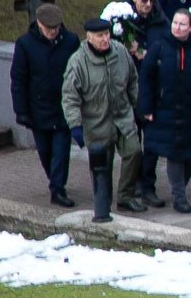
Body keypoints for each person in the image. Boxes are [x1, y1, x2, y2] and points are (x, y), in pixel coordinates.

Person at [59, 16, 144, 221]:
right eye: (99, 36)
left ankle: (126, 195)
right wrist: (75, 125)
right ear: (89, 37)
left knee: (134, 152)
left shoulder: (121, 52)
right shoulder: (78, 62)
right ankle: (103, 202)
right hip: (96, 122)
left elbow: (132, 79)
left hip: (122, 117)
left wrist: (137, 104)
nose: (104, 39)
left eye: (106, 34)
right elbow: (70, 97)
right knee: (101, 166)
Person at [137, 7, 191, 213]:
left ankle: (180, 188)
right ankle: (179, 197)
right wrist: (145, 107)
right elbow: (146, 79)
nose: (177, 27)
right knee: (175, 155)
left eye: (182, 24)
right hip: (165, 111)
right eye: (175, 22)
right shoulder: (159, 48)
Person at [10, 2, 79, 207]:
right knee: (45, 151)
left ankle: (57, 189)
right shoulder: (25, 44)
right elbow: (19, 79)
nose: (53, 32)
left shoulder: (70, 41)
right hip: (38, 109)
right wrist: (21, 110)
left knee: (61, 151)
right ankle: (54, 180)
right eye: (49, 28)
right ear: (39, 24)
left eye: (56, 28)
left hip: (64, 107)